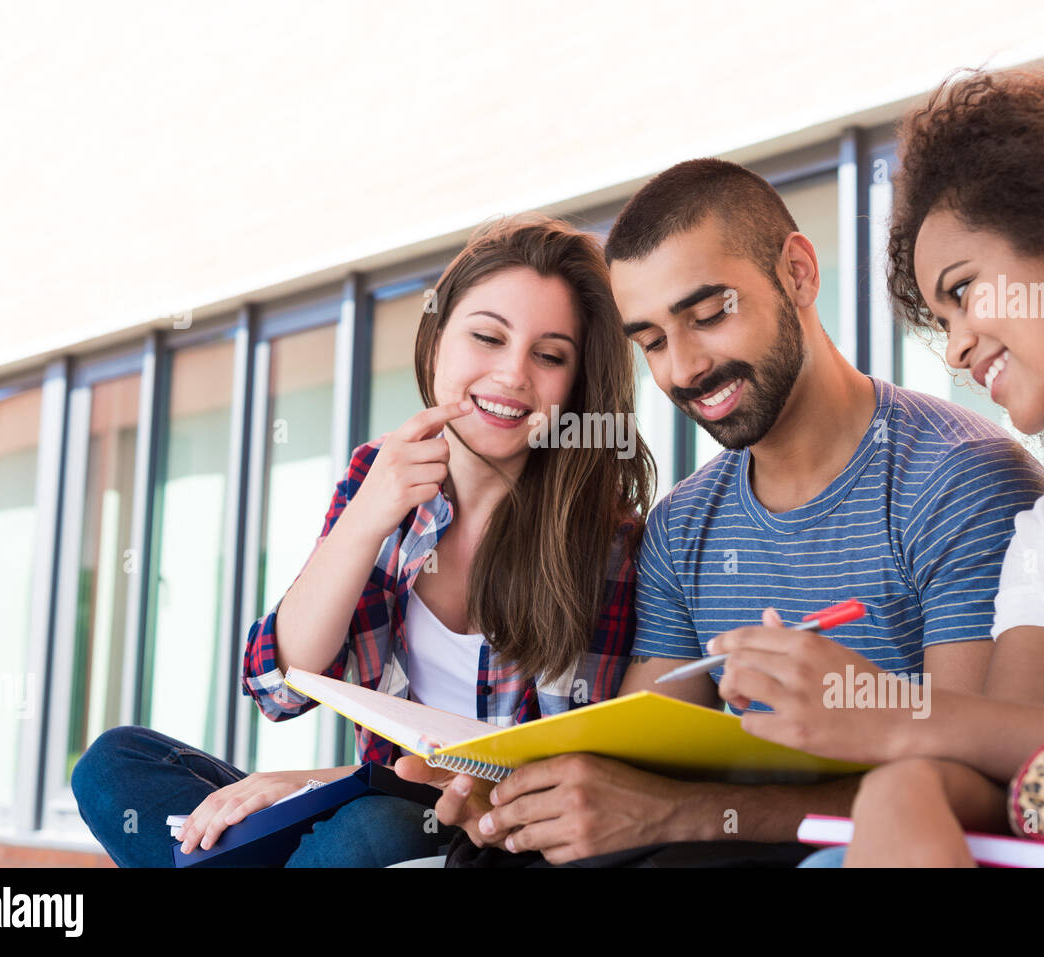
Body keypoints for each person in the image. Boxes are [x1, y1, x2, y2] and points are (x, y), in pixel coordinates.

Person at [405, 158, 1044, 866]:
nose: (683, 368)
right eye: (650, 340)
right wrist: (520, 795)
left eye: (709, 314)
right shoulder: (683, 525)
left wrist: (691, 812)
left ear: (799, 273)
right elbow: (635, 763)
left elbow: (982, 783)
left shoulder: (961, 481)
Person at [714, 63, 1044, 867]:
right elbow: (1008, 766)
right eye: (939, 317)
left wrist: (906, 716)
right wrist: (901, 782)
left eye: (963, 291)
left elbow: (991, 732)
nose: (954, 348)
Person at [72, 214, 654, 867]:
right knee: (114, 765)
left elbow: (556, 780)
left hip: (493, 840)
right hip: (375, 810)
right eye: (488, 337)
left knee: (368, 829)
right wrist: (369, 512)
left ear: (573, 387)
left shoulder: (608, 541)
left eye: (549, 355)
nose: (513, 373)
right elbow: (276, 686)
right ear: (437, 343)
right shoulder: (375, 477)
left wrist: (307, 781)